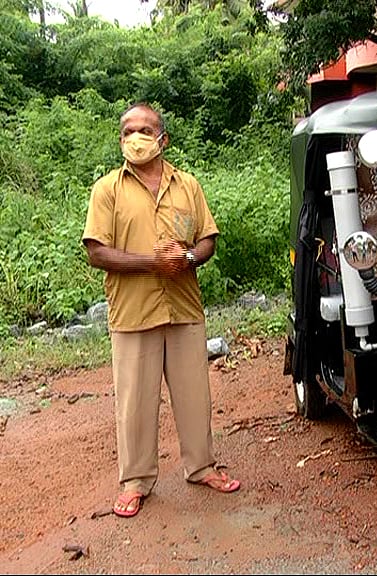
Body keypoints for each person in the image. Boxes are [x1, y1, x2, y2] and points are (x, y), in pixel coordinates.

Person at [82, 102, 240, 518]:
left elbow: (207, 240)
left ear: (163, 139)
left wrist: (185, 259)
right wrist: (154, 263)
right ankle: (135, 481)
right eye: (128, 132)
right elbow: (97, 253)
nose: (136, 138)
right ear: (120, 140)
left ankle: (202, 467)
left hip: (183, 307)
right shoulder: (107, 190)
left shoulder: (187, 186)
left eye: (145, 131)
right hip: (133, 312)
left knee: (195, 394)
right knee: (134, 402)